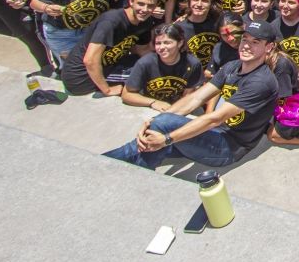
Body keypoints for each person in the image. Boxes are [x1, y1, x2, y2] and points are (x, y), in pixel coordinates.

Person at [103, 19, 281, 169]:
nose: (246, 46)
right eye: (244, 39)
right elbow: (196, 98)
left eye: (255, 42)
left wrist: (165, 138)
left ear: (269, 47)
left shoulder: (261, 82)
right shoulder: (232, 67)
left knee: (160, 133)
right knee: (148, 142)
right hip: (212, 134)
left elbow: (214, 119)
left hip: (227, 148)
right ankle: (110, 168)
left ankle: (102, 165)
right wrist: (153, 122)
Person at [60, 0, 162, 96]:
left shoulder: (145, 21)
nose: (145, 9)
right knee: (144, 80)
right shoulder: (111, 22)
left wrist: (164, 65)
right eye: (141, 4)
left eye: (150, 6)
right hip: (81, 79)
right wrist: (107, 90)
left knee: (152, 71)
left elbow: (141, 50)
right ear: (131, 1)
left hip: (109, 66)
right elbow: (90, 60)